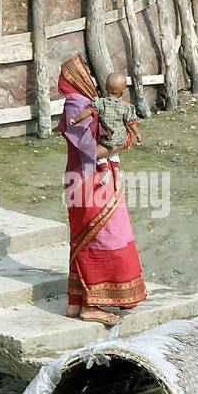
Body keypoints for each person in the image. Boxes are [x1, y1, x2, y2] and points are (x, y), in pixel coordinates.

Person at [58, 54, 146, 326]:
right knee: (104, 238)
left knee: (85, 239)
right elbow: (92, 150)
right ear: (79, 80)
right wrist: (124, 143)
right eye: (87, 74)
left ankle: (76, 302)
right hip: (91, 184)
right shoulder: (78, 106)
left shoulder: (86, 104)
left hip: (83, 181)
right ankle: (92, 306)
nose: (93, 79)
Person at [69, 72, 142, 157]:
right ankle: (112, 164)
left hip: (106, 140)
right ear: (124, 90)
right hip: (121, 139)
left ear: (106, 86)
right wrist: (137, 133)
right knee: (110, 155)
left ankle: (104, 165)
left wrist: (75, 119)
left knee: (91, 154)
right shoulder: (126, 107)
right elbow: (131, 123)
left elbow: (88, 111)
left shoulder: (100, 103)